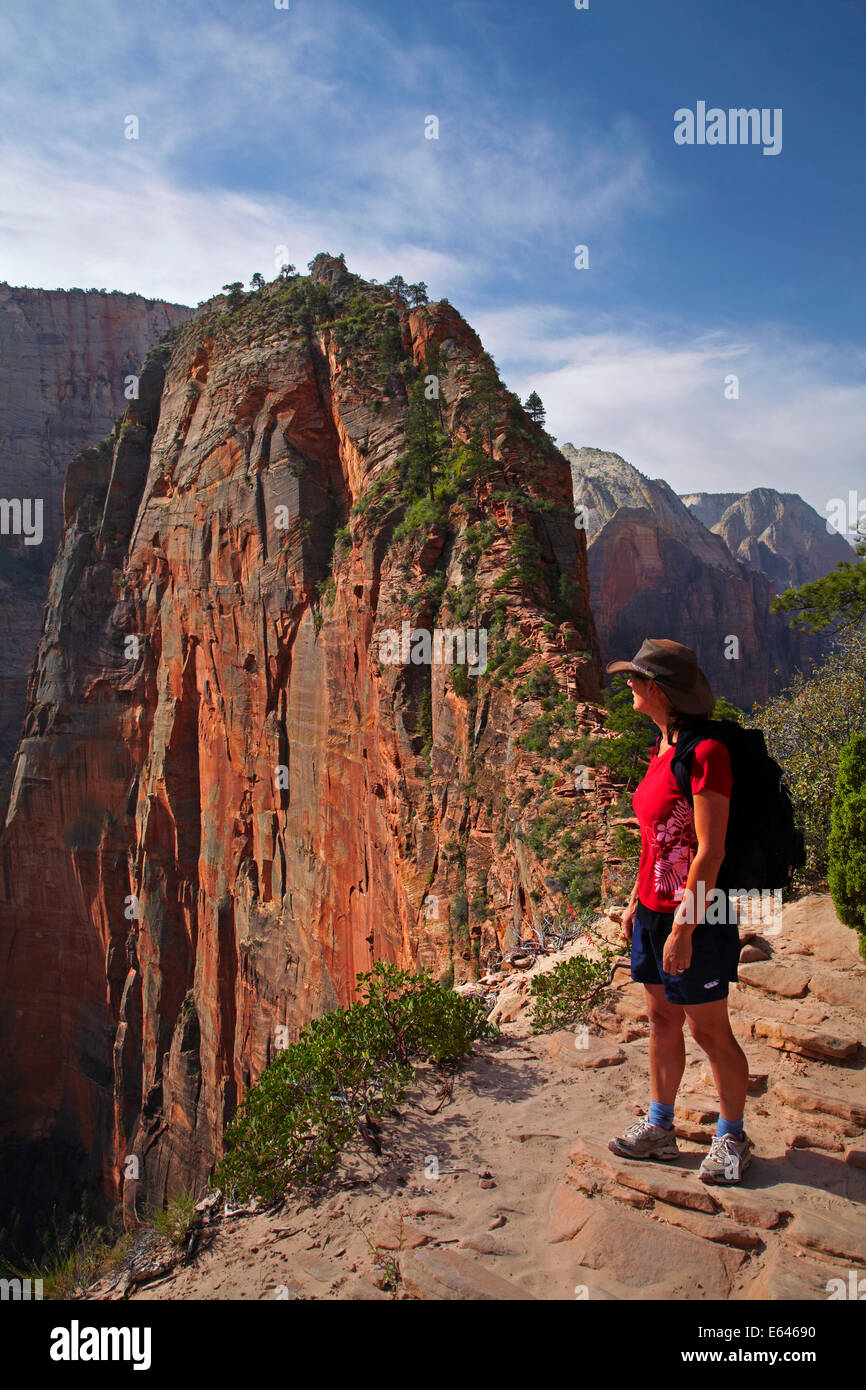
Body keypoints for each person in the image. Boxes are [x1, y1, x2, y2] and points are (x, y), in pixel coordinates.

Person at [605, 638, 753, 1184]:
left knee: (710, 1031)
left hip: (698, 915)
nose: (627, 687)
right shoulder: (661, 748)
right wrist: (632, 903)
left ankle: (732, 1136)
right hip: (652, 909)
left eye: (635, 679)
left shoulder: (707, 754)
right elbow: (655, 839)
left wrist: (684, 930)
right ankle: (661, 1127)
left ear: (658, 691)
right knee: (662, 1018)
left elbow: (709, 851)